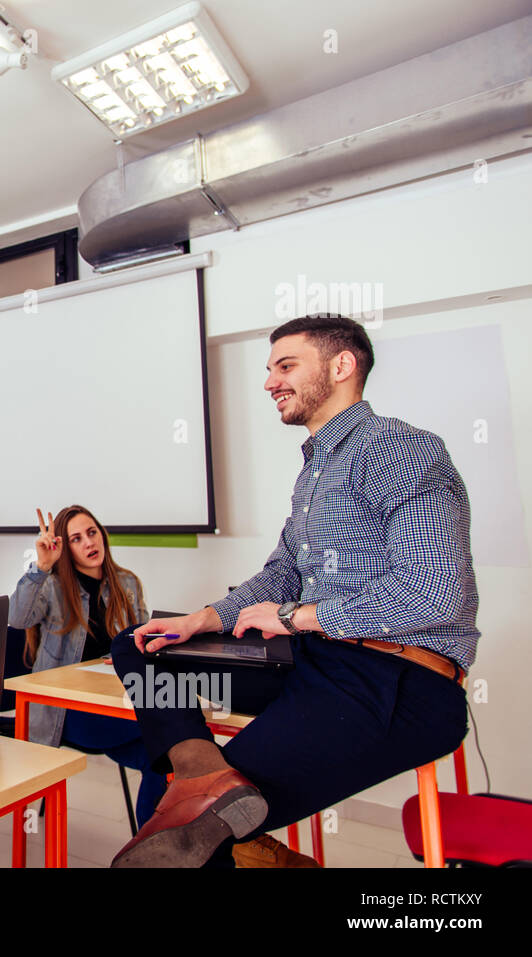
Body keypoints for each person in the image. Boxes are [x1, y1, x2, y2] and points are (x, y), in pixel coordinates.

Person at [110, 314, 477, 868]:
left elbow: (435, 594)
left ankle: (218, 825)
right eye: (269, 369)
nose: (269, 382)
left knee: (189, 831)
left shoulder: (402, 451)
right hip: (312, 661)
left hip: (397, 681)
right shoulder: (315, 469)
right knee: (139, 644)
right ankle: (202, 776)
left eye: (286, 366)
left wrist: (296, 617)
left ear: (342, 366)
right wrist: (202, 619)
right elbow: (284, 570)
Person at [9, 505, 165, 826]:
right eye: (76, 539)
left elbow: (145, 639)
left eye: (92, 533)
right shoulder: (52, 585)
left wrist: (135, 652)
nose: (89, 543)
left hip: (113, 701)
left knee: (163, 758)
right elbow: (17, 618)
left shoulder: (127, 583)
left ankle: (151, 848)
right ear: (65, 548)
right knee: (169, 727)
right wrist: (41, 566)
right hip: (64, 712)